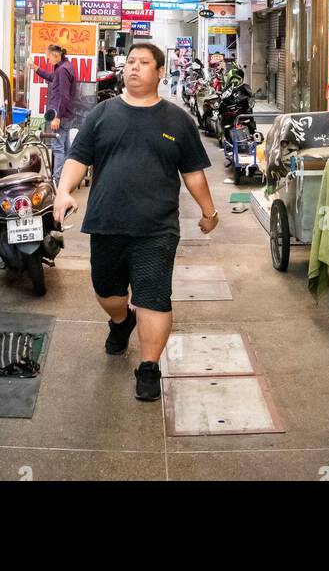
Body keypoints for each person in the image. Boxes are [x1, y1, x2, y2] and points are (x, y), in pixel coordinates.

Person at [53, 41, 218, 403]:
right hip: (107, 221)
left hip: (156, 228)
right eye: (130, 62)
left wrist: (209, 212)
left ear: (160, 72)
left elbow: (192, 173)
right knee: (107, 292)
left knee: (153, 297)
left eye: (144, 63)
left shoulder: (177, 120)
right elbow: (79, 158)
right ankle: (119, 321)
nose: (134, 68)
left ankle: (148, 367)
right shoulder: (102, 113)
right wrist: (64, 190)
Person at [34, 44, 76, 184]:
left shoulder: (63, 70)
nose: (47, 60)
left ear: (56, 55)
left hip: (61, 115)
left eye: (48, 57)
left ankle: (56, 182)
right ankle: (70, 176)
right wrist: (36, 69)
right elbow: (53, 78)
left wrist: (57, 117)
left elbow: (64, 96)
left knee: (58, 149)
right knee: (65, 147)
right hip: (66, 114)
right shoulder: (64, 66)